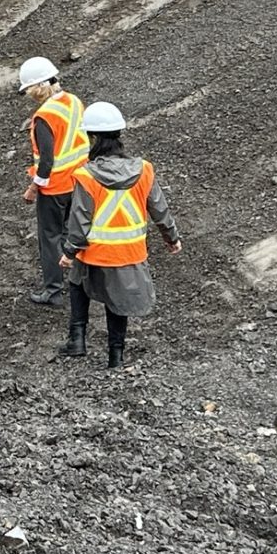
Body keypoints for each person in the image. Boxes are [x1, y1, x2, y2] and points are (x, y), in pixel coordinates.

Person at [59, 100, 179, 370]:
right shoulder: (144, 170)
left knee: (77, 281)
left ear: (93, 138)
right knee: (118, 302)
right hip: (129, 253)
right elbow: (160, 209)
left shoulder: (87, 175)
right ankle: (116, 357)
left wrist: (69, 253)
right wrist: (172, 238)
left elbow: (79, 220)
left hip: (93, 252)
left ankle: (76, 340)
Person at [15, 55, 89, 308]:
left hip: (55, 187)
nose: (29, 95)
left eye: (29, 90)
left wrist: (34, 188)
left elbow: (46, 161)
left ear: (38, 87)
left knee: (50, 237)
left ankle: (53, 290)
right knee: (74, 231)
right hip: (79, 180)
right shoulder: (75, 102)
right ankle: (84, 280)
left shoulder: (43, 117)